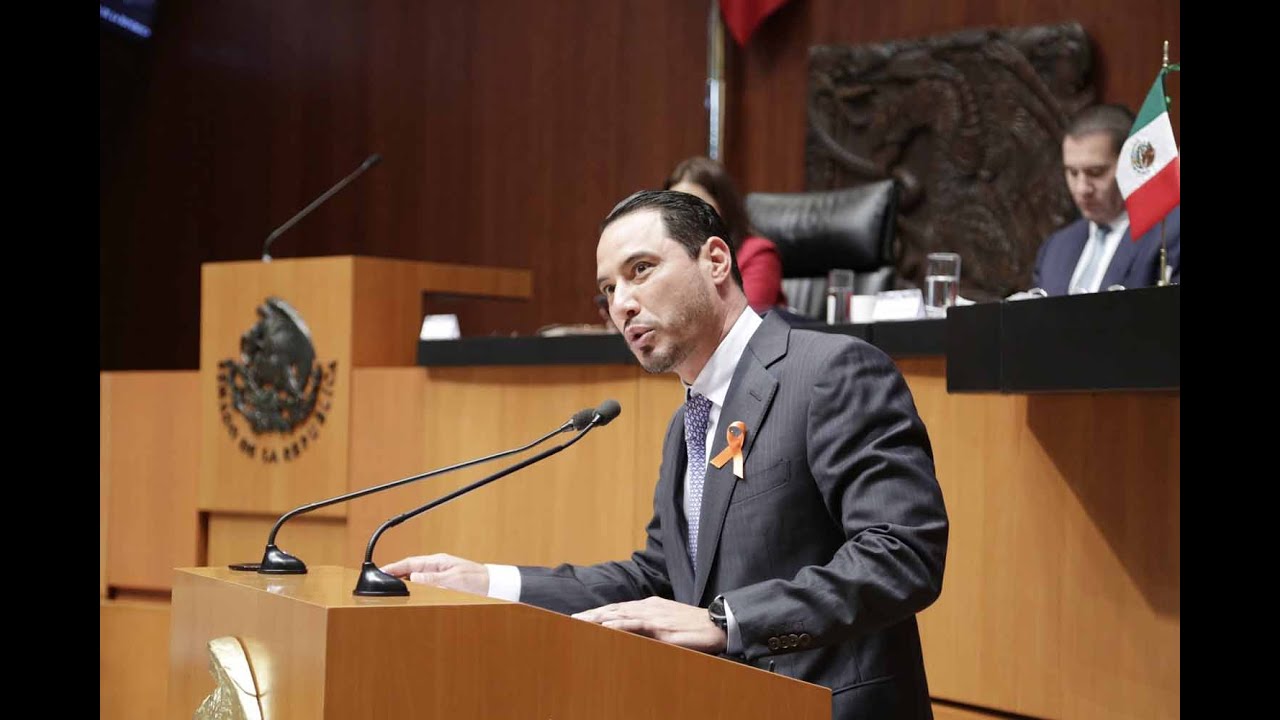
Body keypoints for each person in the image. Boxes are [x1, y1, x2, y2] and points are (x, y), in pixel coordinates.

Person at [384, 190, 949, 719]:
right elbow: (659, 578)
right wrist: (491, 583)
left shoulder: (829, 372)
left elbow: (901, 555)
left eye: (641, 271)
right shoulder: (689, 421)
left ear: (717, 262)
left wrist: (728, 622)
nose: (622, 305)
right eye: (608, 290)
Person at [1031, 104, 1181, 296]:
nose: (1082, 188)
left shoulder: (1168, 234)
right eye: (1072, 172)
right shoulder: (1055, 249)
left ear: (1133, 164)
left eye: (1096, 173)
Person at [663, 156, 788, 313]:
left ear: (723, 206)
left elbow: (747, 317)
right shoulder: (670, 255)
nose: (686, 215)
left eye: (697, 204)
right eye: (677, 208)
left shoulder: (758, 253)